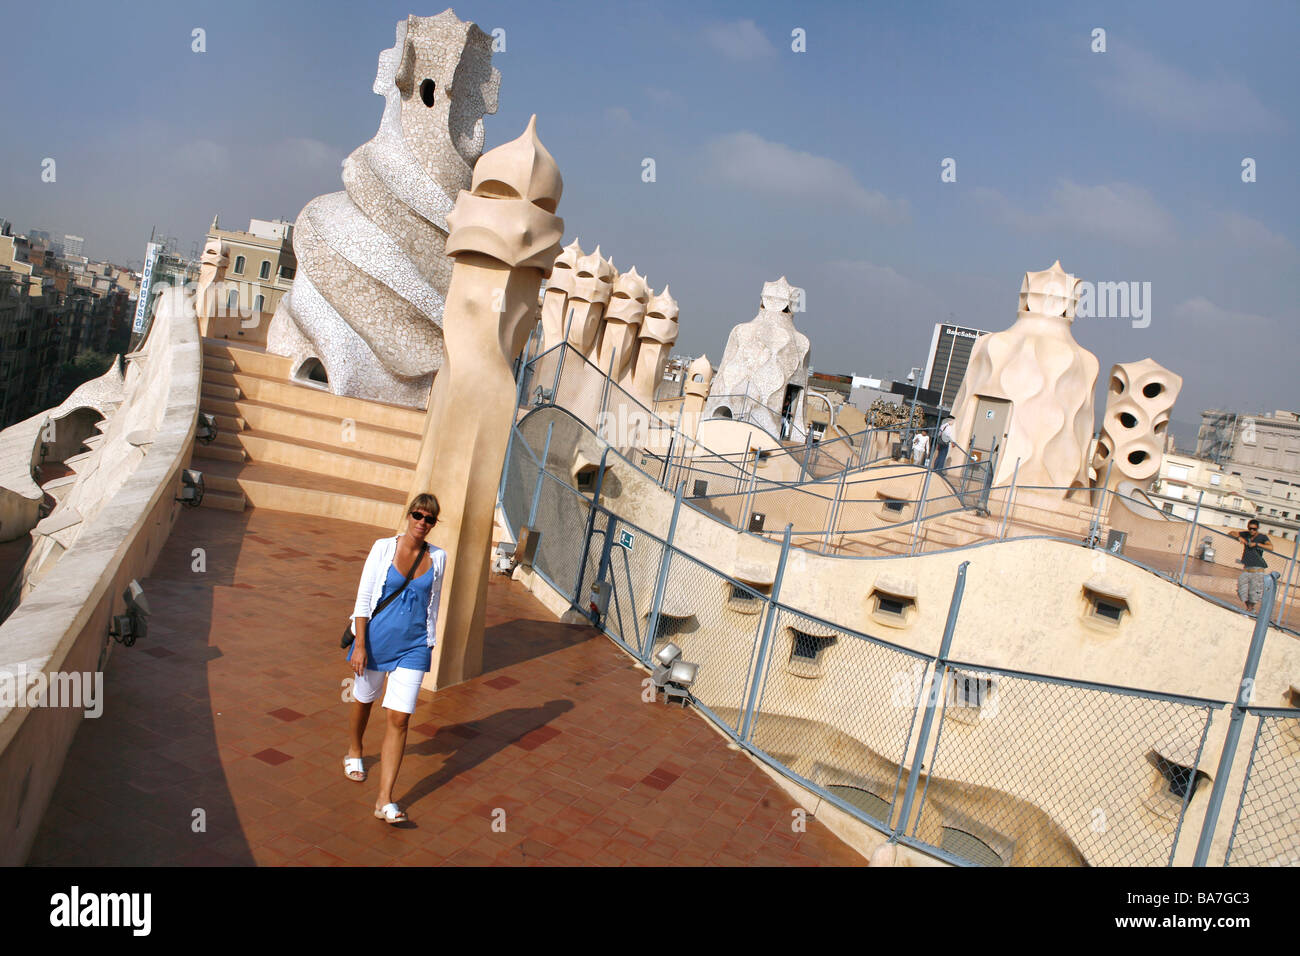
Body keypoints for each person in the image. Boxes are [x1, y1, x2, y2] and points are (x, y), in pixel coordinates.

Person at [343, 494, 447, 824]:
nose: (422, 522)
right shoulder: (383, 548)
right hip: (375, 641)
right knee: (364, 699)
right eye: (418, 514)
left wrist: (429, 644)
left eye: (429, 519)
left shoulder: (439, 557)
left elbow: (434, 605)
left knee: (400, 719)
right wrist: (360, 645)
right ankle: (355, 749)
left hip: (415, 646)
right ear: (409, 515)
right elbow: (363, 599)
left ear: (433, 524)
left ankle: (384, 800)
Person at [1233, 519, 1273, 612]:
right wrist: (1239, 538)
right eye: (1250, 528)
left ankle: (1249, 610)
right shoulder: (1246, 534)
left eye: (1254, 529)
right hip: (1247, 568)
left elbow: (1270, 547)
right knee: (1242, 590)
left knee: (1253, 592)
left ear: (1257, 529)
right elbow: (1232, 532)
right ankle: (1250, 609)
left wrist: (1257, 544)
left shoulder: (1262, 537)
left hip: (1257, 568)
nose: (1252, 531)